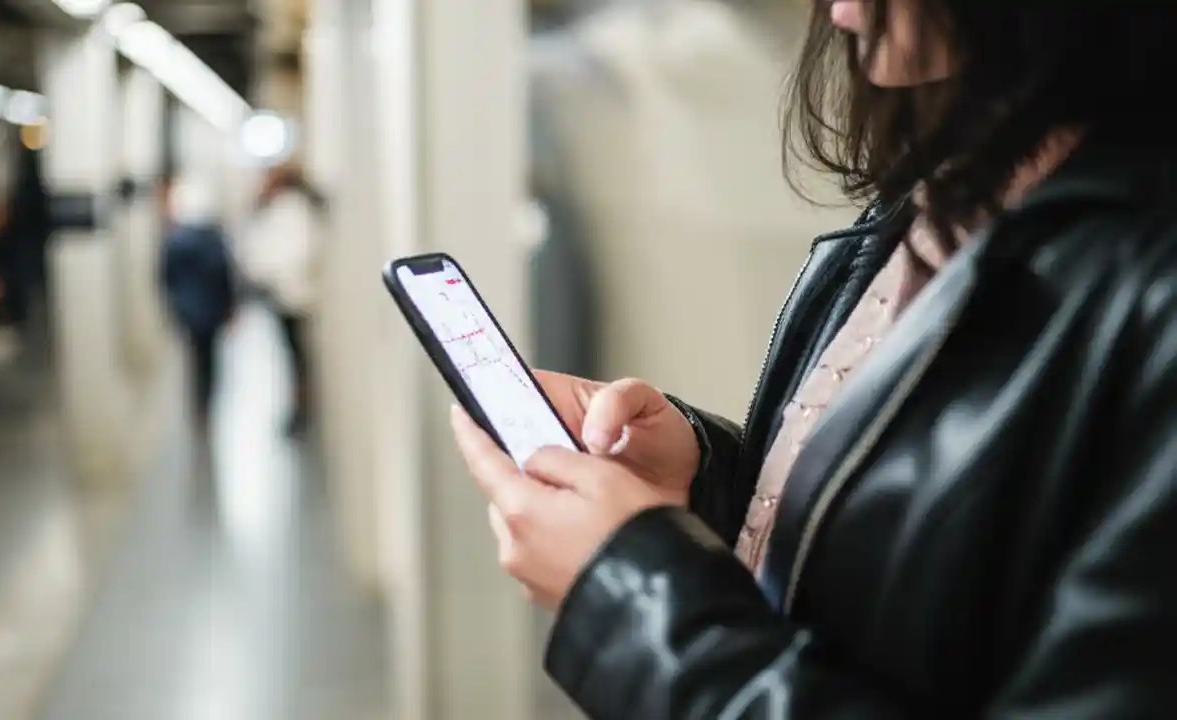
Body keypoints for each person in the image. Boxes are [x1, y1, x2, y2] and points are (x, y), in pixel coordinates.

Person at [451, 1, 1177, 717]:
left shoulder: (1143, 285)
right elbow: (933, 571)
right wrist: (702, 483)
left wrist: (630, 599)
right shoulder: (954, 189)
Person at [238, 164, 327, 436]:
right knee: (292, 355)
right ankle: (297, 407)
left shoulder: (291, 211)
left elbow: (296, 252)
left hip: (293, 294)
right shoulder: (285, 209)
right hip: (285, 293)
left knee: (297, 356)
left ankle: (301, 409)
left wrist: (270, 271)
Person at [162, 176, 236, 433]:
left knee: (195, 356)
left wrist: (171, 304)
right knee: (209, 358)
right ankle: (207, 399)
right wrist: (230, 307)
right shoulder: (212, 240)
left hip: (188, 309)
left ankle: (199, 403)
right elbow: (224, 275)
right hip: (210, 309)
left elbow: (165, 277)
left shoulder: (175, 241)